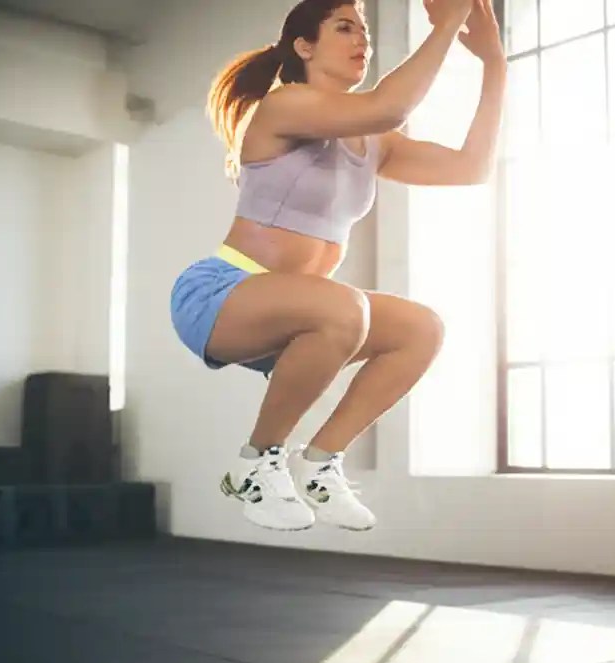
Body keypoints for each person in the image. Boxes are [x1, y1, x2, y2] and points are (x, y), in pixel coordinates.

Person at [170, 0, 506, 532]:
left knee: (421, 329)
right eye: (344, 28)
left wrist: (494, 65)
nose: (362, 43)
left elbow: (472, 168)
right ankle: (256, 464)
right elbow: (389, 106)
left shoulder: (376, 141)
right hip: (221, 294)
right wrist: (445, 24)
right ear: (304, 47)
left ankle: (320, 462)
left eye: (365, 33)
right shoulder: (285, 107)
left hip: (299, 314)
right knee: (344, 307)